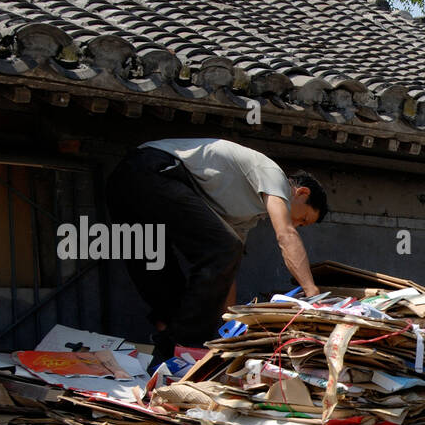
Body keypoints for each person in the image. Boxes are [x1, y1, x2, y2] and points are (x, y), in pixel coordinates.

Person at [106, 138, 329, 364]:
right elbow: (286, 235)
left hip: (126, 187)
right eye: (303, 219)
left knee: (165, 274)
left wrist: (228, 323)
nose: (298, 224)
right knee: (224, 249)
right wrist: (312, 294)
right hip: (151, 169)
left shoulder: (244, 218)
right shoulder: (273, 175)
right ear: (301, 192)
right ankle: (186, 350)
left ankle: (167, 359)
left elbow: (225, 272)